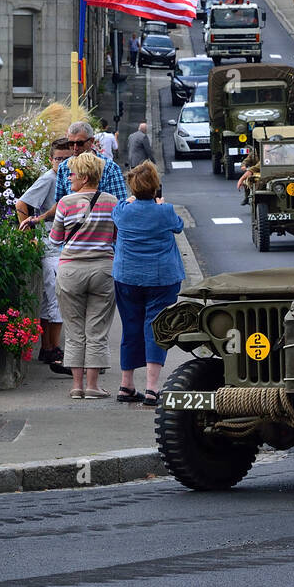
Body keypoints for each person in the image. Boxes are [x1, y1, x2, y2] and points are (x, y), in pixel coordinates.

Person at [112, 162, 185, 406]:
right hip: (162, 277)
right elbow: (178, 226)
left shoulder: (122, 210)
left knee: (130, 326)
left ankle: (126, 385)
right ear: (155, 187)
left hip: (127, 276)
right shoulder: (165, 211)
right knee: (156, 328)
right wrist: (161, 205)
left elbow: (118, 216)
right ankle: (152, 388)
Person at [49, 152, 118, 399]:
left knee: (75, 329)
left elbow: (56, 239)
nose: (69, 178)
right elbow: (116, 237)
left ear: (85, 176)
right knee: (97, 330)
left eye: (73, 174)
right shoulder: (112, 202)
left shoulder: (66, 203)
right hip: (102, 270)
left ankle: (76, 386)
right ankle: (93, 386)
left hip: (70, 271)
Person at [16, 138, 72, 372]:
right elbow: (22, 204)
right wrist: (30, 236)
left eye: (66, 158)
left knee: (51, 299)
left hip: (60, 246)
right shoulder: (49, 178)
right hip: (51, 247)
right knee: (56, 298)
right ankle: (52, 348)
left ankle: (49, 346)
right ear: (50, 160)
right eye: (57, 158)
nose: (62, 162)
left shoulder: (65, 179)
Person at [40, 122, 128, 226]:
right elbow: (60, 205)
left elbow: (120, 208)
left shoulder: (110, 168)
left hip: (102, 234)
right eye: (71, 143)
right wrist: (39, 219)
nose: (75, 148)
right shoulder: (64, 167)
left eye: (80, 143)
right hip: (73, 235)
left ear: (91, 141)